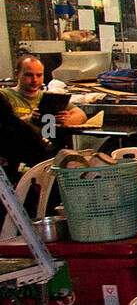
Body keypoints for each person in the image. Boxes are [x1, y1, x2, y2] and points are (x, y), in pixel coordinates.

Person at [0, 92, 54, 226]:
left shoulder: (13, 131)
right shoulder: (19, 128)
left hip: (9, 206)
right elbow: (44, 157)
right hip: (19, 205)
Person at [3, 54, 87, 126]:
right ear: (17, 74)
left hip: (46, 139)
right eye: (29, 75)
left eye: (39, 75)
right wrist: (29, 120)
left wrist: (67, 120)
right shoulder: (4, 96)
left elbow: (81, 115)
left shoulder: (49, 98)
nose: (34, 80)